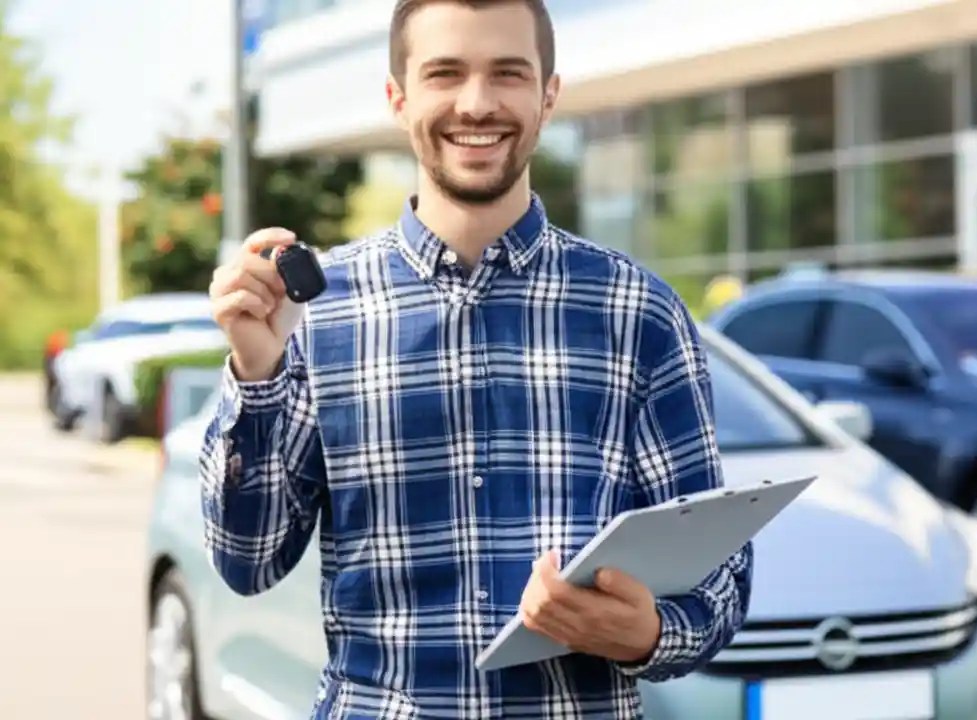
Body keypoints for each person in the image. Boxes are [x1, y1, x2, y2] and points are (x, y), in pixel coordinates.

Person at [199, 0, 752, 717]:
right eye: (445, 73)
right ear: (399, 97)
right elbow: (247, 561)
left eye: (508, 73)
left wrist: (647, 632)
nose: (477, 102)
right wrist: (257, 377)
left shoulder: (638, 313)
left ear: (548, 94)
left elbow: (719, 583)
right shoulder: (315, 313)